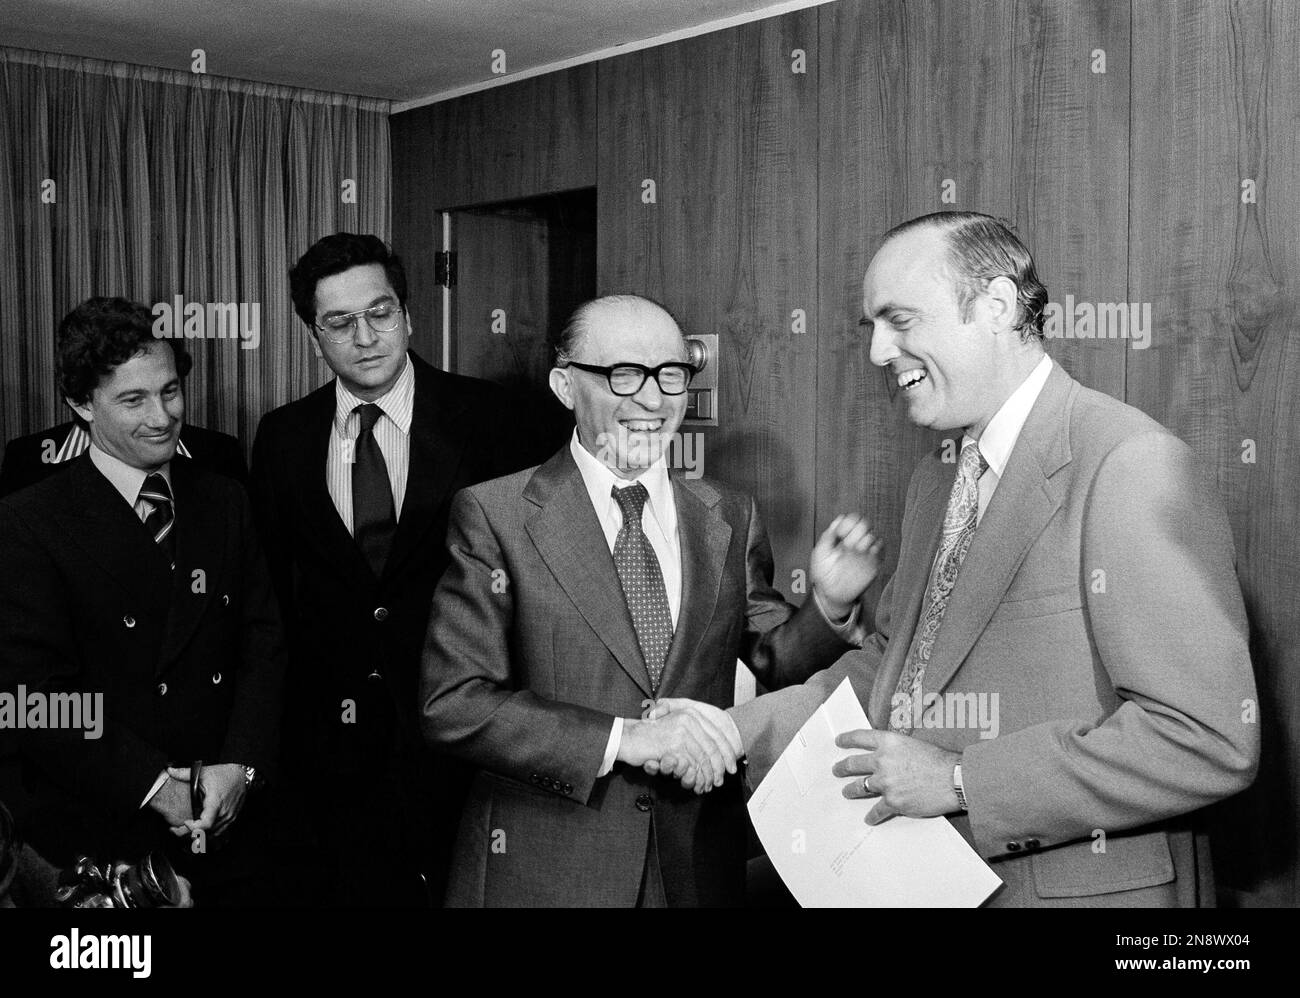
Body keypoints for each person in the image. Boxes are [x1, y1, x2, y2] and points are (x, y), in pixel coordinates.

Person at [656, 212, 1259, 907]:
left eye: (900, 321)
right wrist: (723, 730)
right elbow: (894, 669)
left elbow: (1208, 739)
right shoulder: (937, 482)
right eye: (872, 329)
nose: (880, 351)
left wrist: (960, 781)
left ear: (997, 305)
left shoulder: (1130, 465)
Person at [419, 293, 884, 907]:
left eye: (671, 374)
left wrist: (827, 605)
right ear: (565, 385)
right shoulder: (495, 516)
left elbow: (768, 668)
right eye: (623, 374)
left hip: (695, 865)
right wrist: (623, 738)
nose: (652, 398)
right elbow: (454, 703)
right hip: (546, 870)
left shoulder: (727, 514)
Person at [251, 232, 547, 907]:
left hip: (467, 734)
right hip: (330, 753)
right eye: (340, 322)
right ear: (312, 334)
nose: (365, 336)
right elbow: (270, 598)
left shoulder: (495, 418)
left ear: (408, 315)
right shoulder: (283, 438)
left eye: (379, 313)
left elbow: (534, 575)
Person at [0, 297, 284, 907]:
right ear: (81, 404)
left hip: (229, 819)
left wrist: (241, 767)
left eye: (171, 392)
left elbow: (263, 643)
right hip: (109, 836)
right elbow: (34, 700)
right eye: (133, 401)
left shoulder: (225, 499)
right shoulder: (29, 521)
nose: (162, 417)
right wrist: (156, 785)